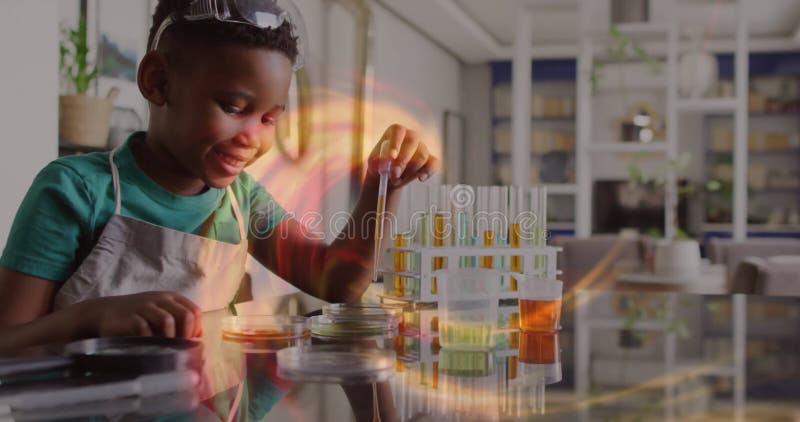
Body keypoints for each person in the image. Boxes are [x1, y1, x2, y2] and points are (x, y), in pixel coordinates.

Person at [0, 0, 438, 353]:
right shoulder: (74, 191)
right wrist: (90, 318)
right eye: (233, 107)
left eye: (269, 118)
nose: (252, 138)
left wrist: (383, 185)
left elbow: (338, 282)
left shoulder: (243, 200)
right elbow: (7, 342)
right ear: (158, 82)